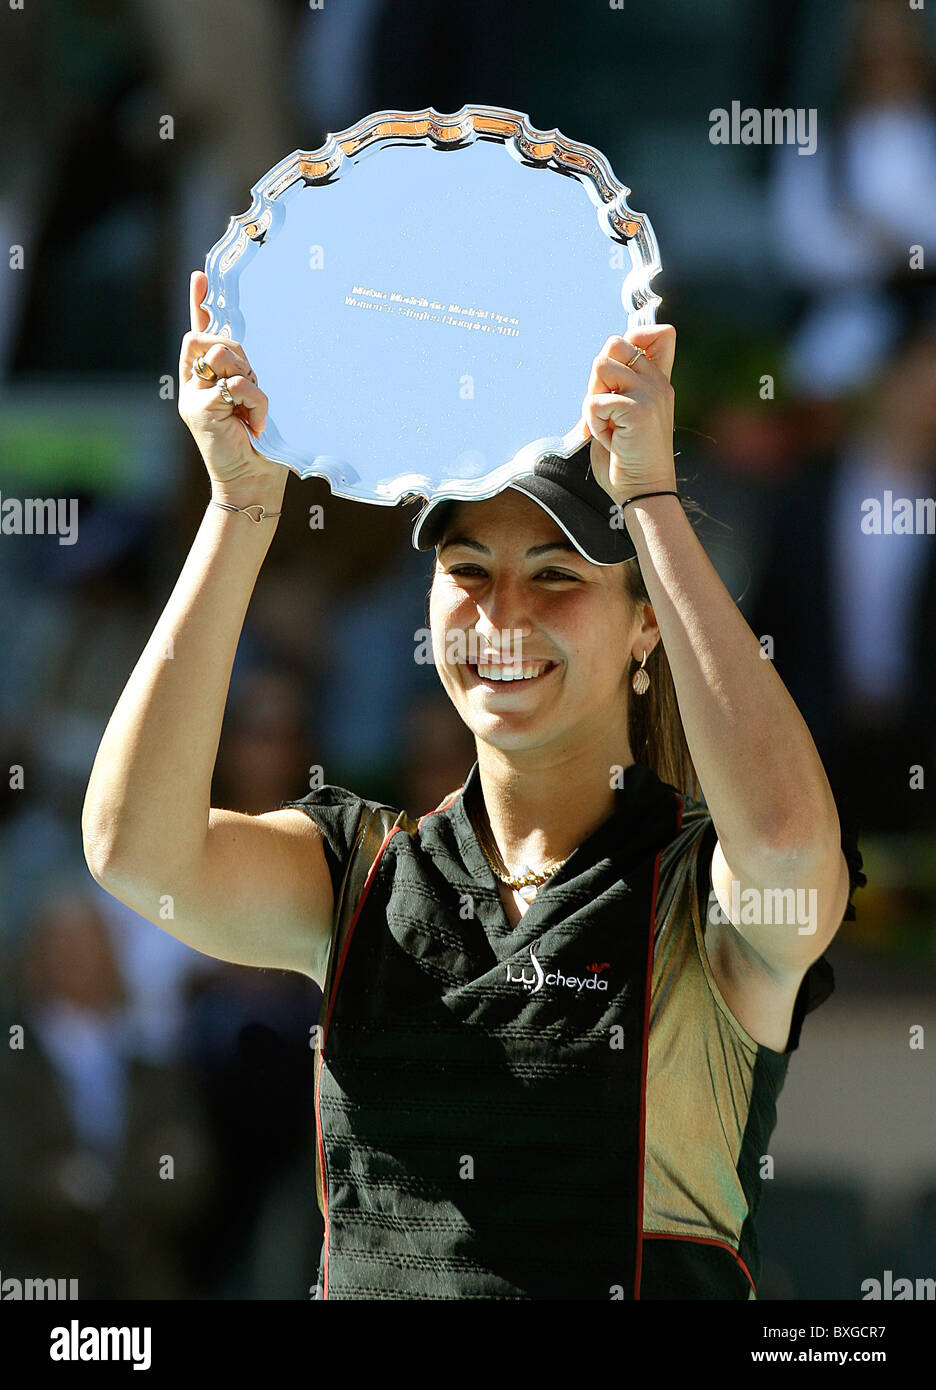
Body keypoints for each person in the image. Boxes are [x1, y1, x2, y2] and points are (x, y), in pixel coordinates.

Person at [82, 270, 861, 1301]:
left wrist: (651, 500)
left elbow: (789, 849)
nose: (502, 615)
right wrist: (238, 504)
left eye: (555, 574)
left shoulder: (699, 886)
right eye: (467, 570)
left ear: (645, 626)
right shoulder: (361, 872)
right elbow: (136, 848)